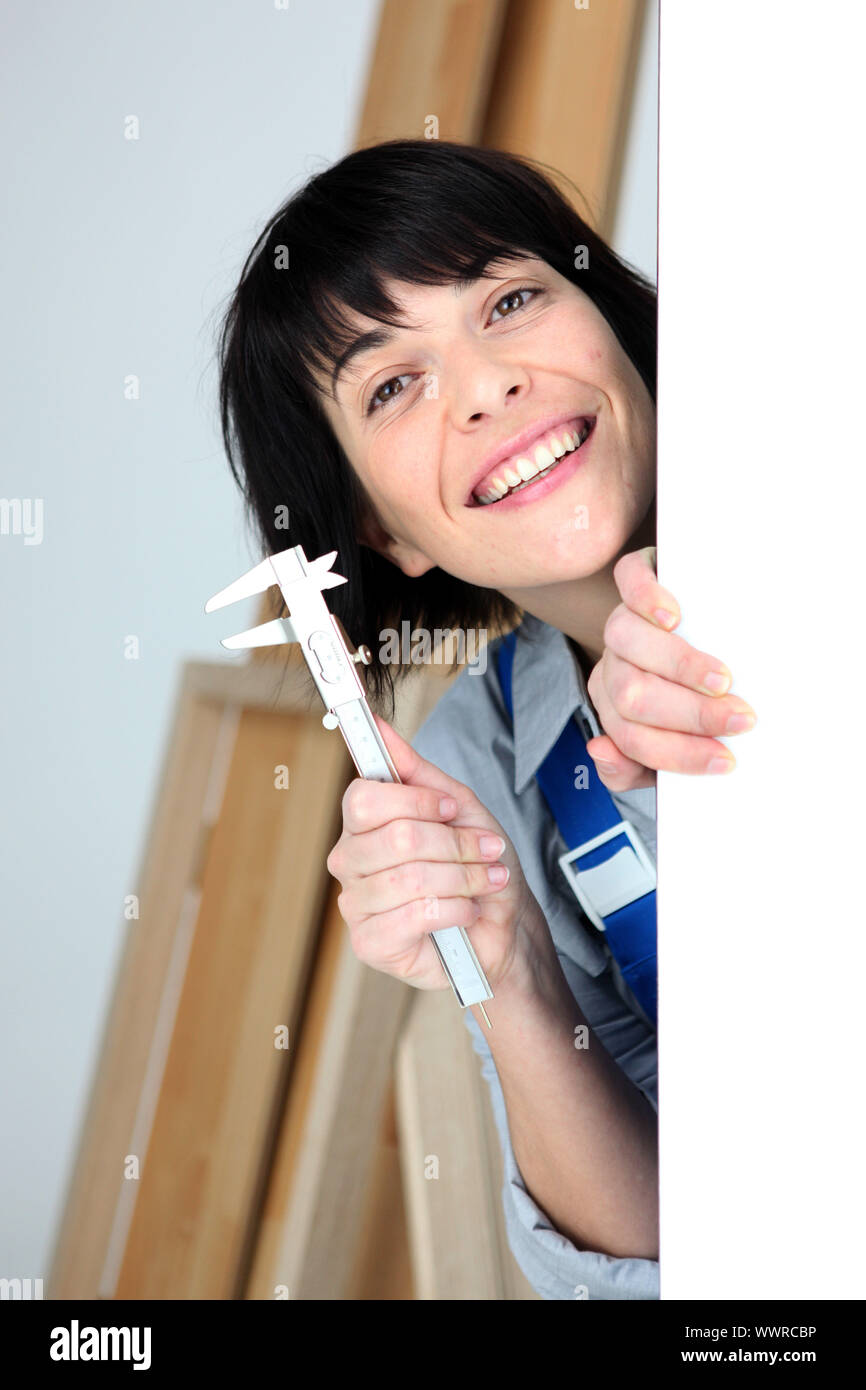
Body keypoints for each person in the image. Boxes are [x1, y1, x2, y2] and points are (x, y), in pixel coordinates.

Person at [215, 138, 757, 1300]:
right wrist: (508, 975)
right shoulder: (487, 760)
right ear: (381, 532)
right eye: (392, 384)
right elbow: (670, 1274)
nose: (483, 383)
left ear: (615, 327)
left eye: (509, 299)